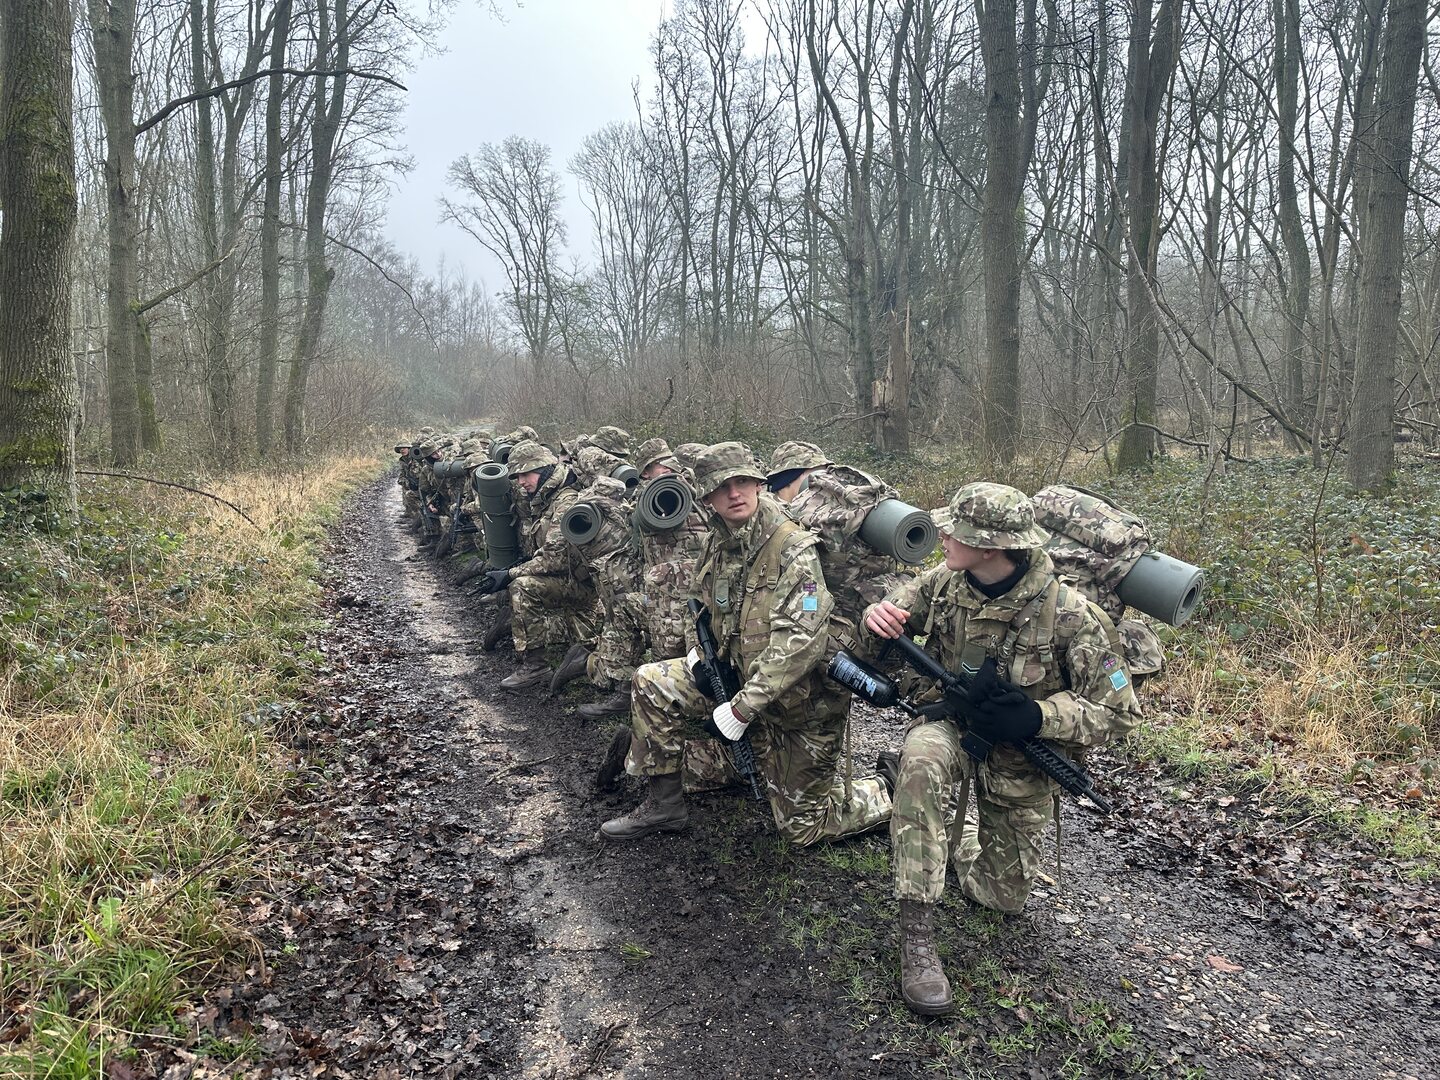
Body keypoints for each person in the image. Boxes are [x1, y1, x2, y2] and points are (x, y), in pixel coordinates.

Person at [860, 482, 1141, 1016]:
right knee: (922, 759)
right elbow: (895, 610)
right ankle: (916, 940)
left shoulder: (1073, 615)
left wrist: (1039, 715)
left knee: (1001, 899)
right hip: (947, 727)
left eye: (954, 531)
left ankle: (940, 822)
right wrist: (881, 616)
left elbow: (1120, 713)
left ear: (990, 547)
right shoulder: (945, 582)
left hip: (1018, 754)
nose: (941, 535)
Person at [600, 441, 891, 846]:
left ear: (758, 484)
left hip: (798, 707)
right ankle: (665, 806)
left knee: (801, 829)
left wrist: (741, 708)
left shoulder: (794, 548)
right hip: (739, 682)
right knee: (653, 680)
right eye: (722, 488)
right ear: (708, 498)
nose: (734, 493)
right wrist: (699, 657)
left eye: (742, 482)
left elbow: (801, 643)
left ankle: (887, 787)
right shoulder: (719, 543)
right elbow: (699, 606)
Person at [478, 440, 598, 691]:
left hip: (583, 586)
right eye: (517, 476)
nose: (521, 482)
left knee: (522, 587)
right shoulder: (546, 497)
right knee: (569, 632)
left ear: (543, 469)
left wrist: (510, 574)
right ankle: (514, 628)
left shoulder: (566, 501)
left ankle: (536, 667)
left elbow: (555, 558)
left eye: (525, 474)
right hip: (567, 580)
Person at [766, 440, 910, 627]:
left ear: (787, 481)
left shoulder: (801, 510)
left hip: (844, 624)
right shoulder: (858, 497)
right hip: (882, 613)